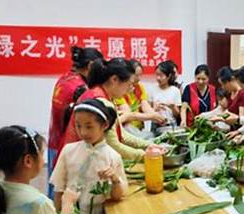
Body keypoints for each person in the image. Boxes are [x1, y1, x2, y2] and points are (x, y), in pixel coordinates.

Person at [60, 58, 150, 161]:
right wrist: (144, 155)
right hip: (77, 161)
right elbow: (114, 146)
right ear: (114, 80)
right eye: (129, 85)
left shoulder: (101, 94)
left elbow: (121, 134)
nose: (129, 90)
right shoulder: (102, 102)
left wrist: (149, 146)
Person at [48, 46, 103, 196]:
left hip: (55, 138)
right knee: (65, 192)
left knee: (55, 185)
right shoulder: (80, 88)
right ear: (91, 66)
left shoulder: (65, 78)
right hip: (67, 143)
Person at [114, 59, 165, 138]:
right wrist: (151, 116)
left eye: (140, 75)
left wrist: (155, 115)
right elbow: (128, 115)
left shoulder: (140, 87)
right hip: (126, 129)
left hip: (138, 128)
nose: (139, 78)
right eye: (136, 75)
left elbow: (145, 105)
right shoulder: (119, 90)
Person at [149, 60, 182, 126]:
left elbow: (177, 115)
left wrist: (173, 107)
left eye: (161, 76)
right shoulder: (152, 89)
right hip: (156, 125)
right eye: (157, 75)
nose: (158, 78)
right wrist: (154, 109)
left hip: (171, 125)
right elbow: (148, 112)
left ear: (169, 76)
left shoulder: (175, 91)